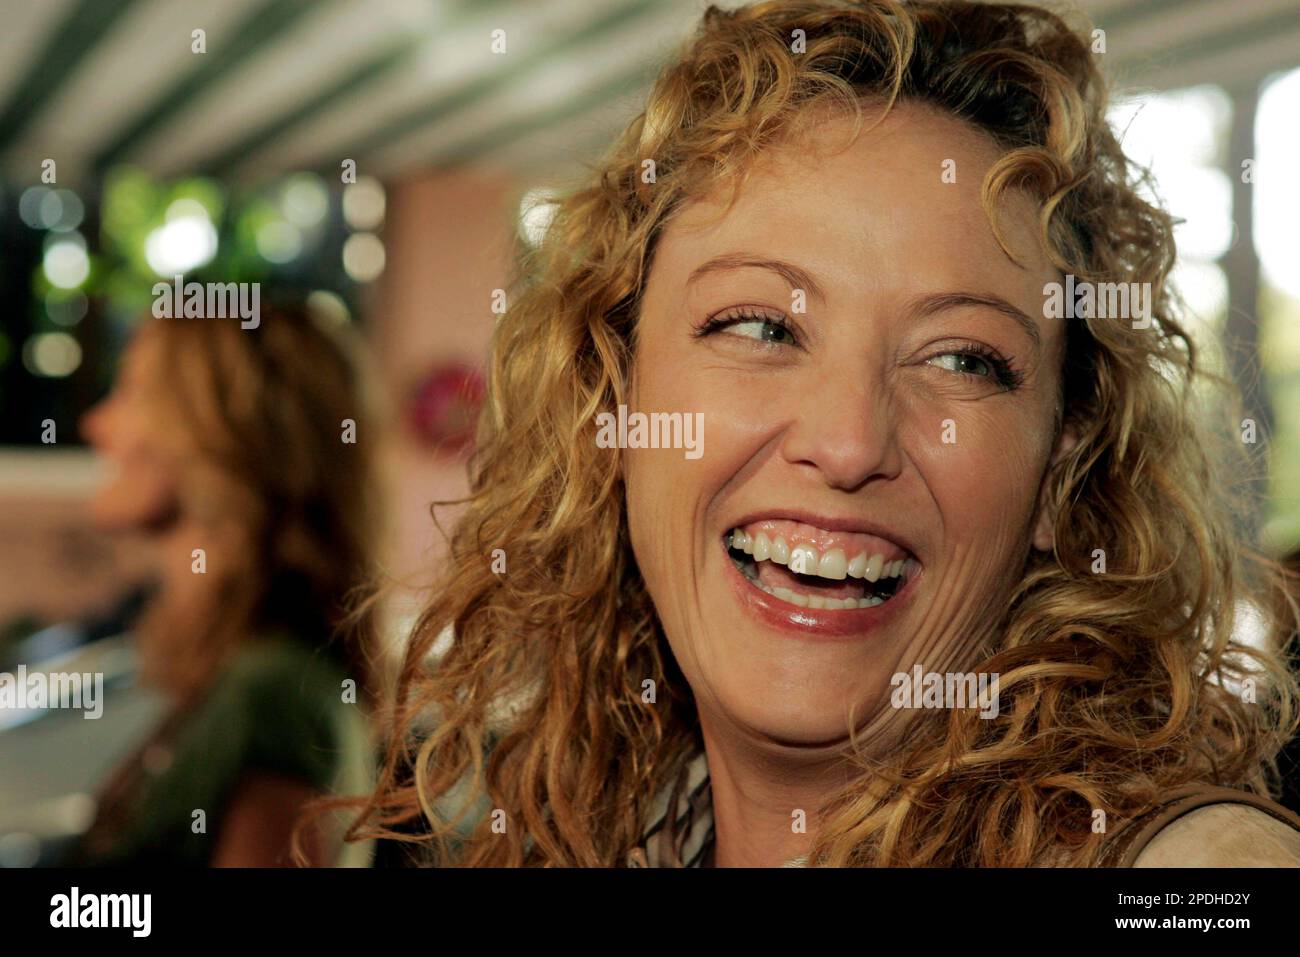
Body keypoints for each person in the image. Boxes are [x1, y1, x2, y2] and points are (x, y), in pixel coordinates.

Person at [345, 0, 1300, 866]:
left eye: (962, 358)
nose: (847, 444)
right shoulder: (602, 831)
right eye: (760, 326)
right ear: (616, 398)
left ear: (1061, 467)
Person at [68, 300, 380, 867]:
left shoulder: (275, 695)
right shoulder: (237, 672)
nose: (96, 425)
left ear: (226, 434)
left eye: (134, 392)